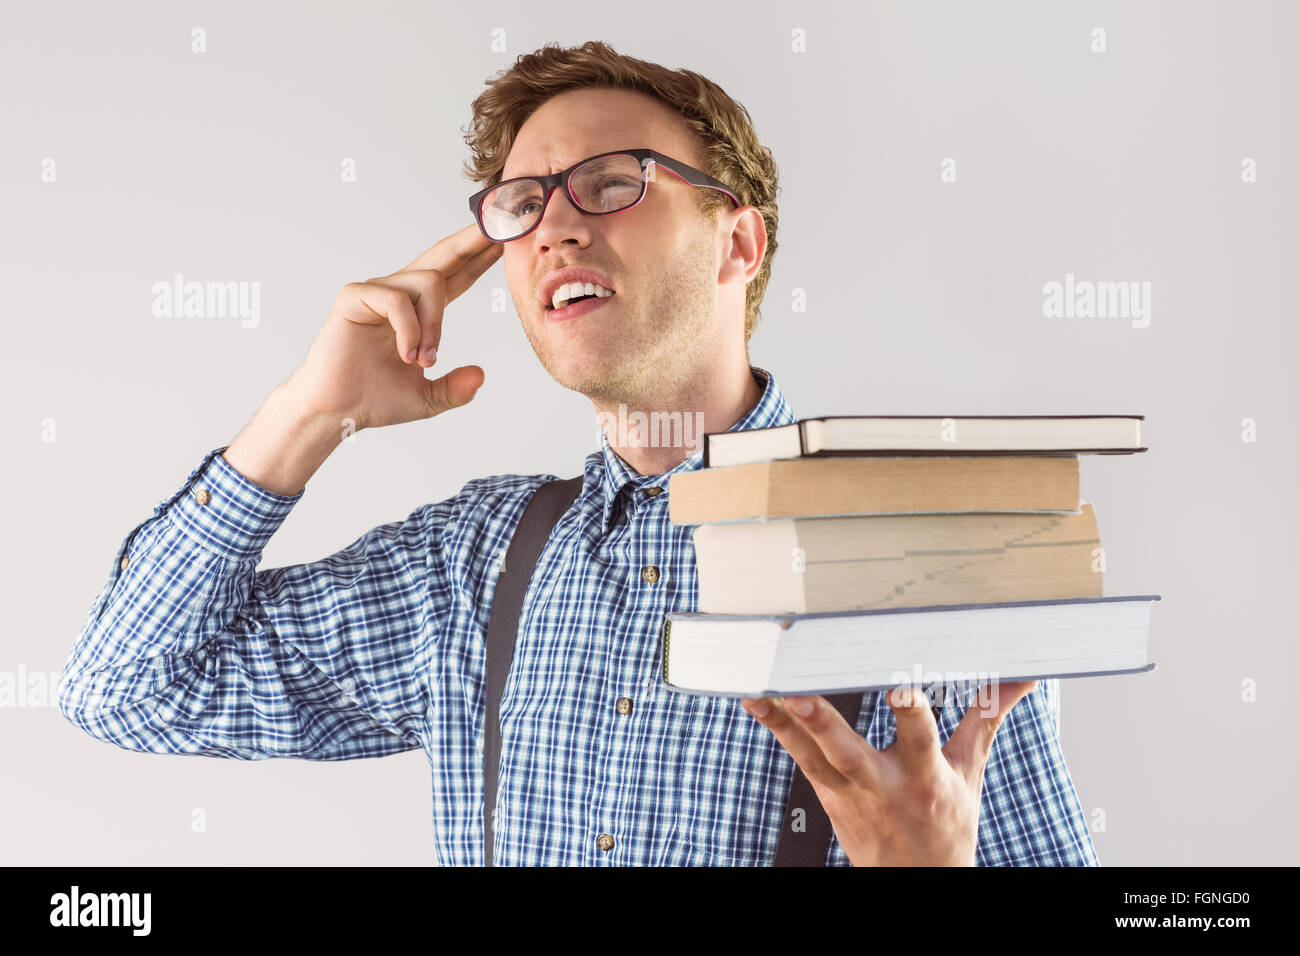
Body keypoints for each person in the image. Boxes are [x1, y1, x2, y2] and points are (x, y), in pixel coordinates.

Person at [58, 40, 1099, 867]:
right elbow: (131, 685)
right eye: (523, 205)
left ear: (738, 243)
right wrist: (308, 411)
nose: (554, 228)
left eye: (609, 183)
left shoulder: (922, 562)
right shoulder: (469, 563)